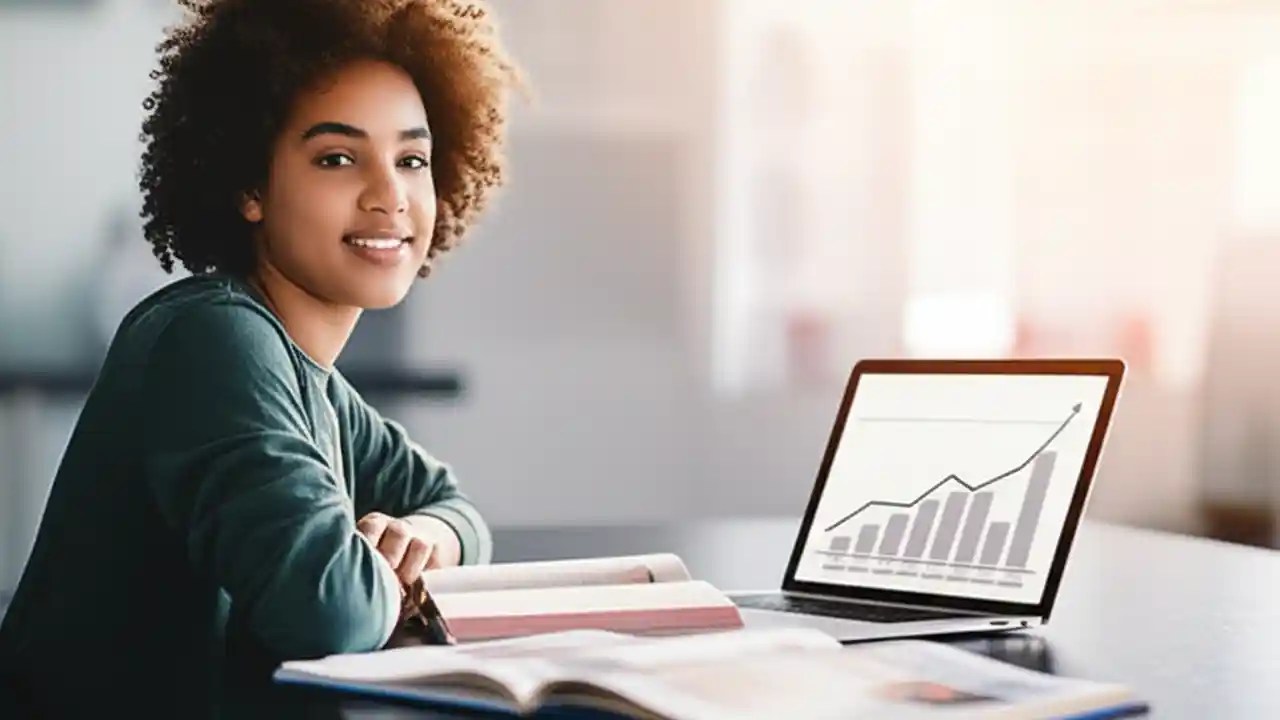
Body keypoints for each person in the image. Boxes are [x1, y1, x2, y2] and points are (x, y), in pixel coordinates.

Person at [0, 0, 519, 715]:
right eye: (338, 157)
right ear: (250, 186)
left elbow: (460, 515)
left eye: (411, 159)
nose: (389, 196)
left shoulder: (313, 381)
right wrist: (396, 576)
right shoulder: (213, 343)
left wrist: (423, 539)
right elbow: (327, 610)